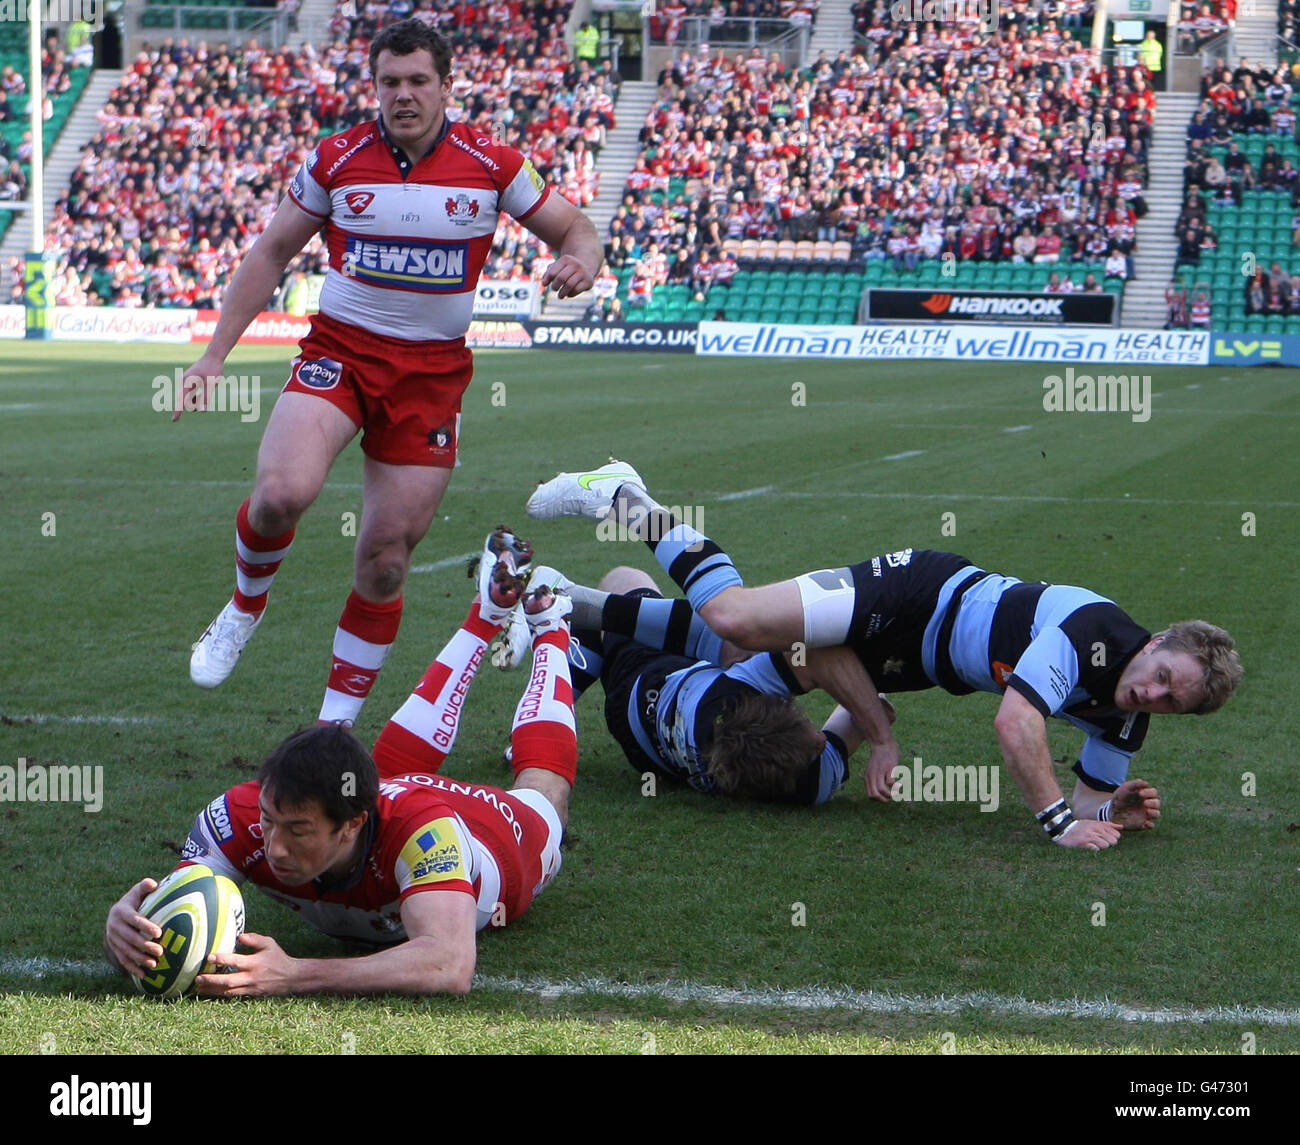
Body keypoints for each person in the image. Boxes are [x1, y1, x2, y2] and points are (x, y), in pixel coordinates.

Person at [178, 20, 602, 728]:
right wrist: (214, 352)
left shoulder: (492, 162)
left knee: (384, 561)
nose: (402, 95)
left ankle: (333, 729)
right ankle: (245, 605)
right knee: (283, 492)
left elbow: (576, 228)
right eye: (389, 83)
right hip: (339, 353)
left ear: (443, 85)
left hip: (430, 377)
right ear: (373, 86)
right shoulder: (336, 158)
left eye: (417, 82)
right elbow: (270, 252)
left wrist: (581, 263)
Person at [524, 464, 1242, 852]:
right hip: (911, 596)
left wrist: (1111, 807)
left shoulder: (1124, 722)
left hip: (913, 659)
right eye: (1162, 676)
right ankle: (621, 493)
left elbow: (1090, 801)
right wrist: (1054, 821)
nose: (1153, 694)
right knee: (733, 613)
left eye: (1171, 700)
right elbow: (1017, 724)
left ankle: (571, 604)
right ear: (1154, 643)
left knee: (739, 642)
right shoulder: (1094, 632)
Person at [105, 528, 579, 996]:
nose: (275, 847)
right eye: (271, 822)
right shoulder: (238, 818)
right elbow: (175, 903)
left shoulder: (423, 836)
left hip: (500, 839)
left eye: (297, 830)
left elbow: (448, 964)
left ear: (351, 826)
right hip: (388, 801)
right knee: (369, 774)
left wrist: (295, 974)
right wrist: (125, 929)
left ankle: (550, 624)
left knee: (543, 799)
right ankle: (488, 615)